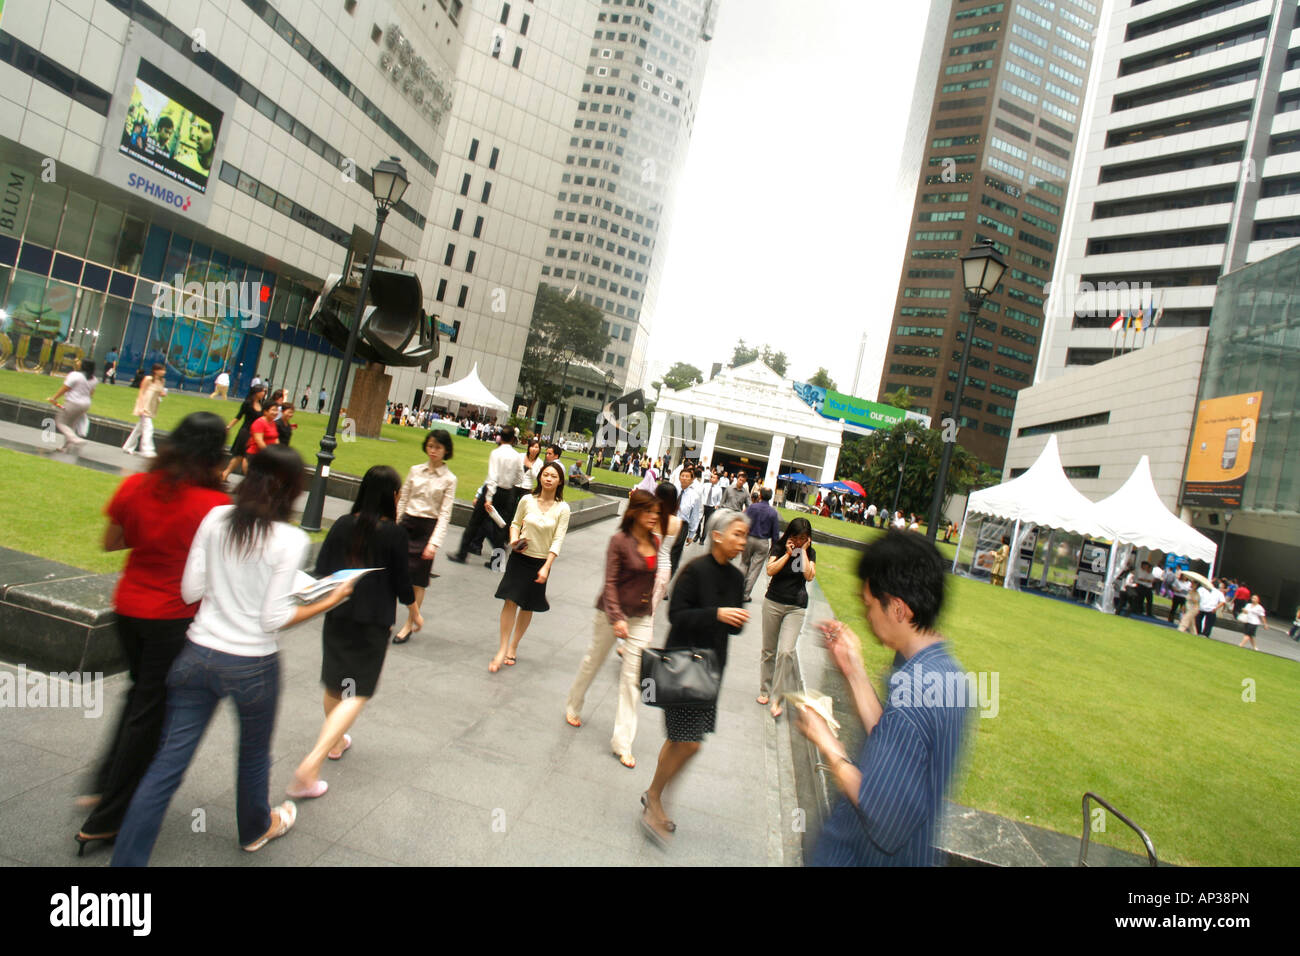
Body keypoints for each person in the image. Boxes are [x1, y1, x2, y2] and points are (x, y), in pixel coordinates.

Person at [110, 447, 356, 865]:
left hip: (196, 654)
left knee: (166, 767)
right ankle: (256, 828)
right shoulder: (290, 540)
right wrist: (331, 599)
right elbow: (272, 618)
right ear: (295, 489)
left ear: (248, 472)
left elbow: (190, 591)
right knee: (254, 754)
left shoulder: (215, 519)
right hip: (251, 665)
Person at [74, 413, 230, 856]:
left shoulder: (136, 487)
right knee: (151, 713)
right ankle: (106, 818)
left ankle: (103, 786)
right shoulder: (215, 507)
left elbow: (112, 541)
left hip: (129, 608)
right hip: (173, 618)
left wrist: (155, 535)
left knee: (139, 696)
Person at [797, 531, 973, 866]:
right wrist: (854, 671)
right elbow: (898, 744)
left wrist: (826, 742)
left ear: (897, 608)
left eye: (869, 605)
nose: (866, 616)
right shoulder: (945, 672)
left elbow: (884, 815)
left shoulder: (917, 691)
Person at [288, 466, 419, 799]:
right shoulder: (395, 533)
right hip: (373, 620)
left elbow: (321, 571)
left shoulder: (344, 524)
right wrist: (414, 613)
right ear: (393, 495)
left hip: (337, 613)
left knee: (335, 682)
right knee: (359, 690)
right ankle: (312, 763)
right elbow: (403, 583)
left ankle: (336, 741)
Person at [641, 508, 749, 847]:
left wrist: (735, 620)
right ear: (716, 535)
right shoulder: (693, 570)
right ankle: (655, 798)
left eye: (744, 536)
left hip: (711, 671)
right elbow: (676, 615)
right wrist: (716, 614)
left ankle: (654, 796)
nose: (742, 542)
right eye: (737, 534)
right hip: (683, 668)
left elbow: (735, 625)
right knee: (689, 742)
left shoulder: (736, 578)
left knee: (679, 741)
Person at [565, 490, 661, 768]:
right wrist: (617, 617)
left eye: (657, 513)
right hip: (611, 613)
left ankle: (623, 742)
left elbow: (651, 583)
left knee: (632, 680)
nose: (655, 517)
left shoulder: (655, 541)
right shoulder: (619, 541)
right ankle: (573, 703)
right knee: (593, 660)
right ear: (635, 513)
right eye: (649, 512)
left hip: (641, 617)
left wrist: (646, 617)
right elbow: (610, 583)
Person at [490, 461, 570, 672]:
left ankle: (513, 646)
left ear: (560, 481)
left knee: (527, 604)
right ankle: (502, 647)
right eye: (545, 474)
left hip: (541, 561)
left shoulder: (563, 508)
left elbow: (558, 539)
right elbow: (515, 523)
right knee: (510, 600)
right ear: (540, 477)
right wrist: (514, 540)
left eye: (553, 476)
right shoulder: (527, 500)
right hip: (520, 557)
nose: (548, 478)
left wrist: (547, 566)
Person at [393, 429, 457, 643]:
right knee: (393, 572)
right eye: (430, 446)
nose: (433, 451)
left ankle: (409, 623)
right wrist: (396, 523)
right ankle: (386, 618)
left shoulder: (449, 479)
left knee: (418, 580)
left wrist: (434, 543)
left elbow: (445, 513)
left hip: (427, 528)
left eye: (438, 447)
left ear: (446, 450)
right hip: (406, 523)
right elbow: (403, 498)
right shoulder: (415, 470)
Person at [758, 517, 816, 720]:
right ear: (789, 534)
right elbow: (770, 570)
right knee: (769, 650)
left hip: (796, 606)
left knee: (786, 652)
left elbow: (809, 576)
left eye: (803, 538)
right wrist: (788, 554)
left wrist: (804, 553)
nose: (799, 541)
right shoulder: (780, 547)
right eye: (796, 537)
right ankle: (765, 690)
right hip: (774, 602)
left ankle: (777, 698)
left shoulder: (809, 552)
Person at [450, 426, 523, 565]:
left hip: (492, 491)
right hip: (506, 492)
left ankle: (462, 554)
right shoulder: (517, 456)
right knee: (500, 527)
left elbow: (492, 477)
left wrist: (489, 498)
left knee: (474, 522)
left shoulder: (496, 453)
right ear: (514, 439)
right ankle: (496, 562)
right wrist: (508, 482)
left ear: (500, 437)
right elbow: (520, 478)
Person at [739, 487, 781, 602]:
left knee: (744, 563)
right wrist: (774, 548)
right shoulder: (773, 512)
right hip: (763, 542)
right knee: (755, 569)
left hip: (749, 538)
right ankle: (745, 594)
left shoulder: (752, 507)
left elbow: (743, 520)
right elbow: (775, 533)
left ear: (760, 496)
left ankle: (738, 589)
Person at [48, 359, 97, 452]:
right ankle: (65, 446)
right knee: (71, 424)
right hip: (85, 404)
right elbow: (91, 393)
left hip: (73, 402)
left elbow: (65, 388)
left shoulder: (75, 375)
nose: (78, 363)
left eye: (80, 362)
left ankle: (75, 439)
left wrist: (54, 398)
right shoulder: (94, 379)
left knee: (60, 421)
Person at [221, 384, 266, 481]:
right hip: (246, 433)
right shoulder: (247, 404)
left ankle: (226, 474)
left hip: (256, 434)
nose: (264, 393)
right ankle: (232, 475)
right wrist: (229, 426)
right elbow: (238, 417)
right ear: (256, 392)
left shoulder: (262, 404)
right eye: (262, 391)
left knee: (244, 457)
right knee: (242, 456)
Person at [122, 364, 167, 458]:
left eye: (164, 370)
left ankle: (128, 446)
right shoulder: (148, 379)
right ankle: (147, 450)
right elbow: (142, 392)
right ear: (155, 370)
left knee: (139, 428)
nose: (164, 372)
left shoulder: (162, 381)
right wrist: (140, 406)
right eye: (161, 370)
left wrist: (162, 394)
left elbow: (160, 392)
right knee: (148, 428)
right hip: (144, 406)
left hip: (152, 406)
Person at [673, 466, 702, 575]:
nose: (684, 478)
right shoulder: (674, 490)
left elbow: (694, 516)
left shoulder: (694, 496)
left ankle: (671, 572)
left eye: (687, 477)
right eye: (682, 476)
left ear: (691, 480)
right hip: (670, 522)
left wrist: (691, 534)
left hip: (682, 526)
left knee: (675, 552)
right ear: (679, 477)